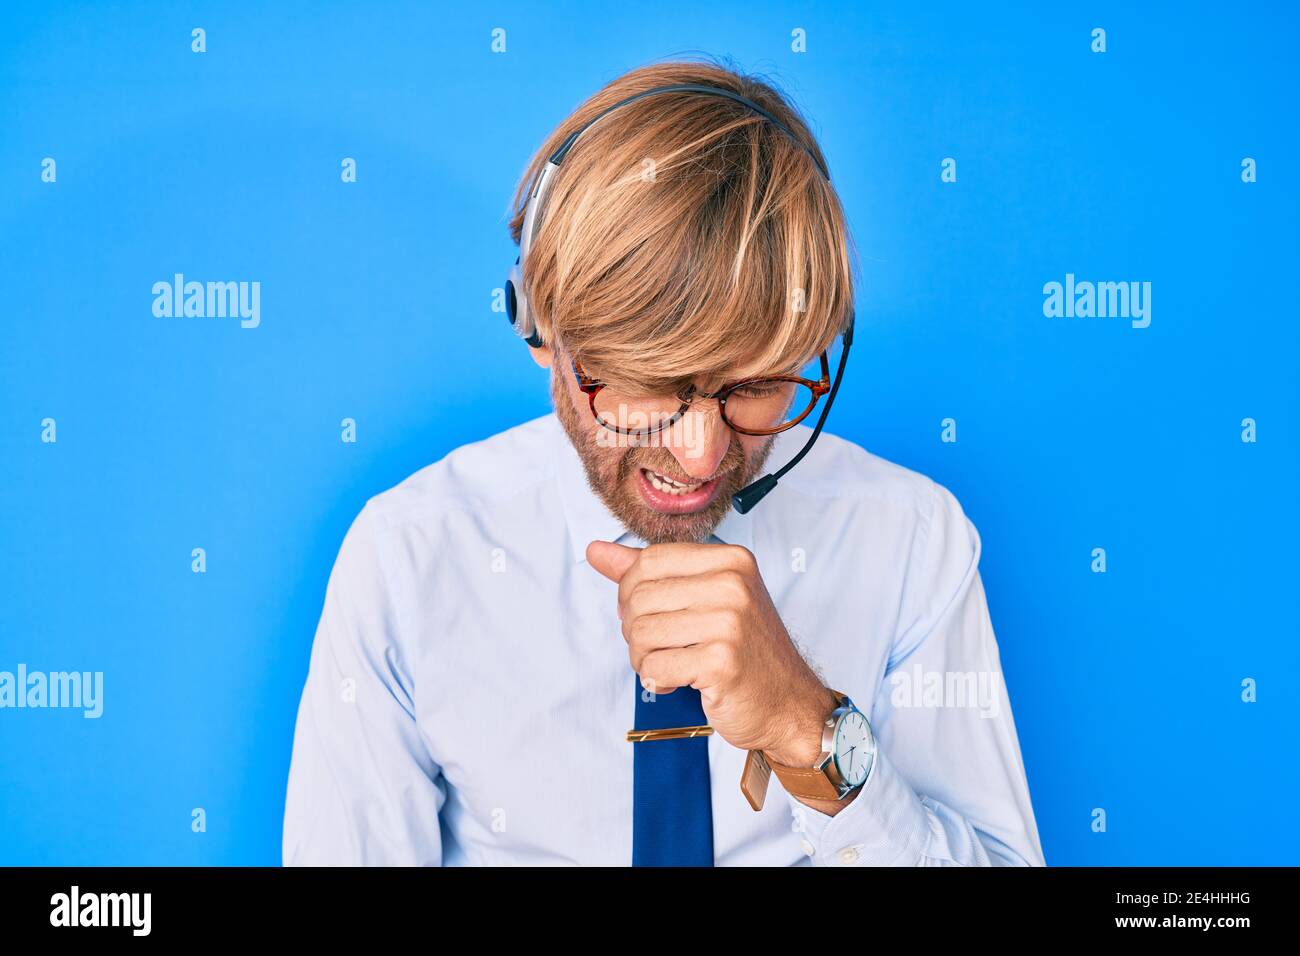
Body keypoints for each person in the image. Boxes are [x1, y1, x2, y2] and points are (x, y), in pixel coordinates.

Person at [282, 59, 1045, 867]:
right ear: (539, 327)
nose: (702, 452)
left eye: (755, 386)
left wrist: (806, 728)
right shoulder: (410, 559)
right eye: (653, 387)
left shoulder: (911, 541)